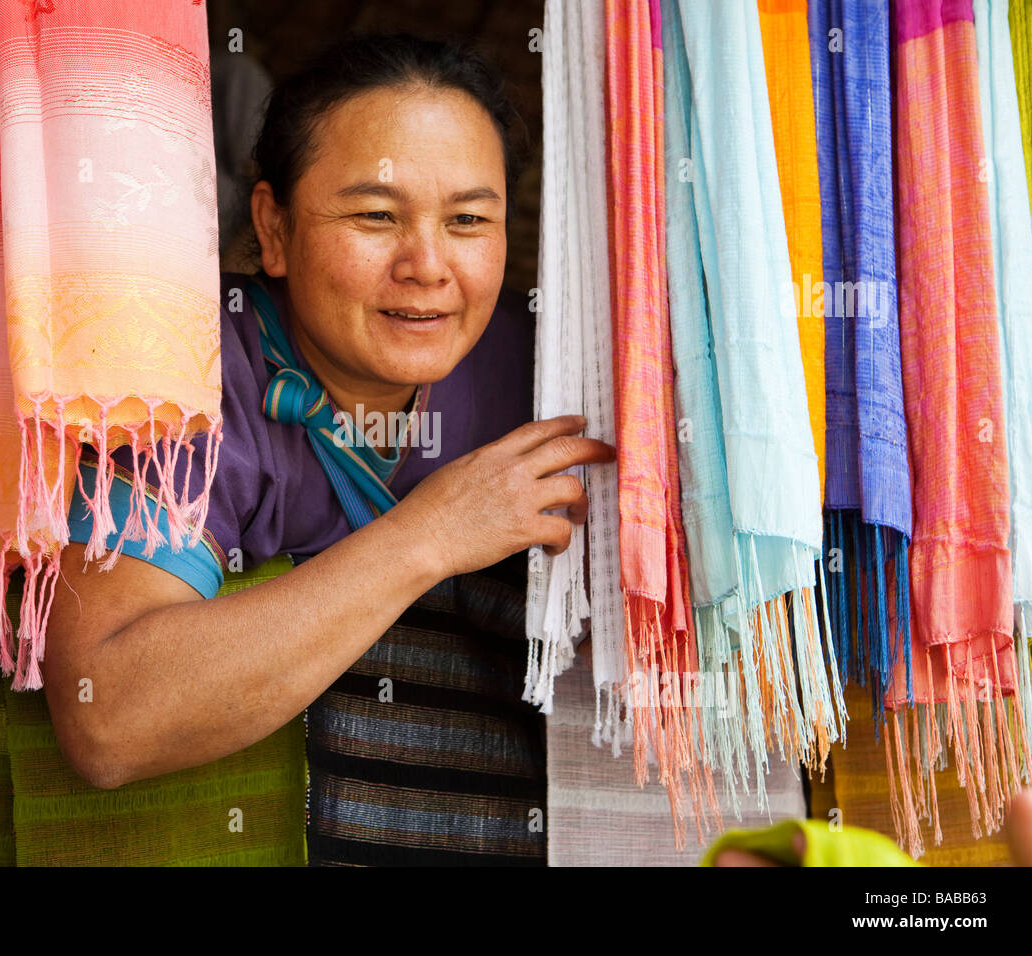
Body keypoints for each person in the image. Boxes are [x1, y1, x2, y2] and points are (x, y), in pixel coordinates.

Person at [44, 33, 609, 866]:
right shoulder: (187, 375)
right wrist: (434, 535)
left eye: (467, 221)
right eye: (377, 216)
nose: (427, 266)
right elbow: (108, 719)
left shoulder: (550, 380)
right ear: (272, 228)